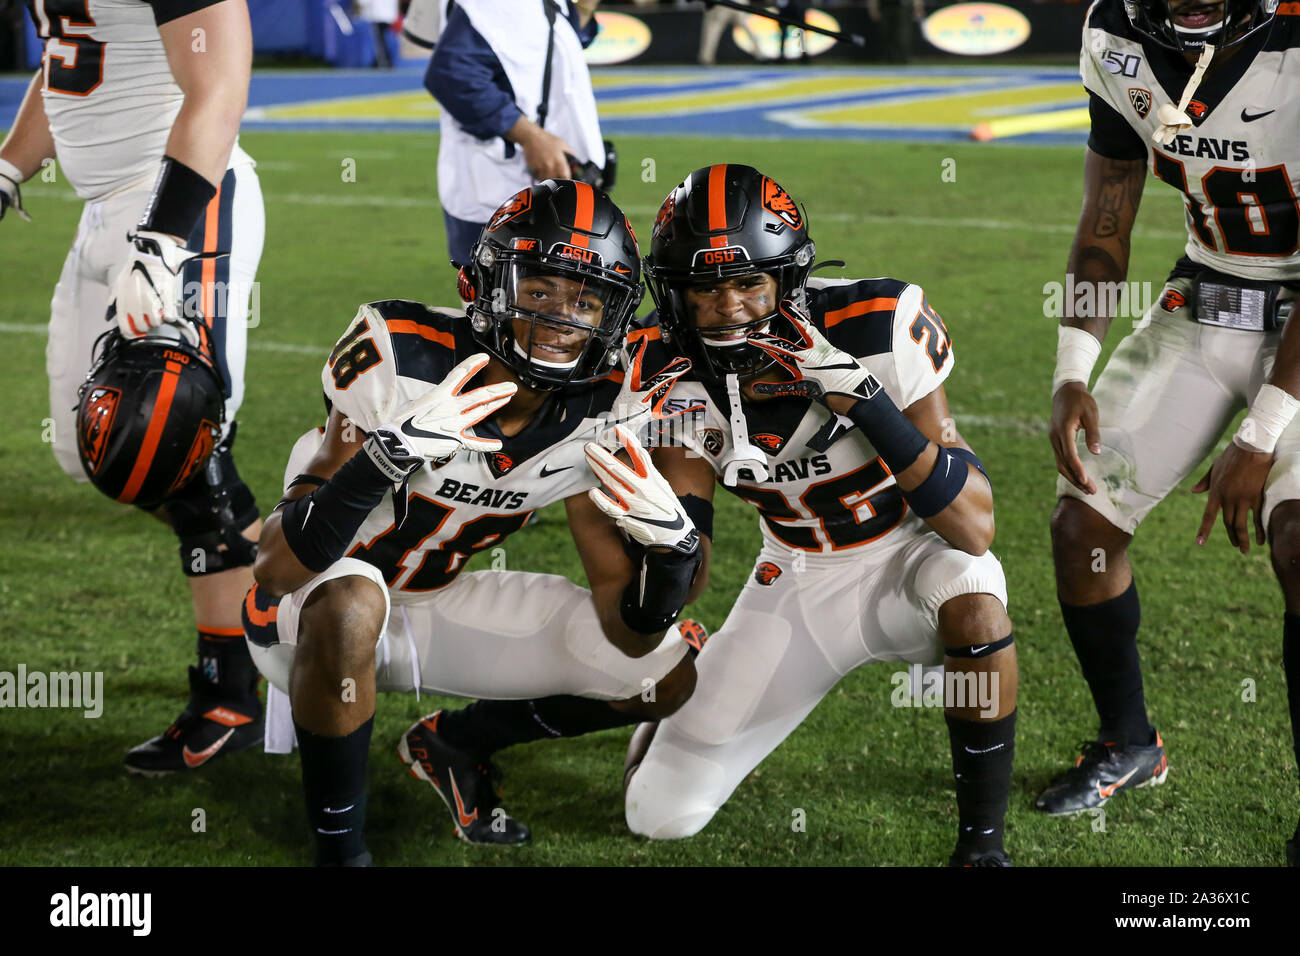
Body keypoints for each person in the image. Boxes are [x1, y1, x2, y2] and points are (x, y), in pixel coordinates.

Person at [244, 181, 709, 864]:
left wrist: (671, 554)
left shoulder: (610, 405)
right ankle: (340, 851)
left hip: (439, 603)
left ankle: (455, 741)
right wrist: (386, 455)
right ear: (486, 283)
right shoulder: (402, 355)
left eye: (587, 300)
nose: (561, 318)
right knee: (349, 605)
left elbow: (628, 635)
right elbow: (277, 568)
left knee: (665, 677)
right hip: (307, 613)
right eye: (541, 290)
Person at [617, 164, 1018, 866]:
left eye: (749, 283)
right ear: (674, 293)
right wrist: (669, 547)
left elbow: (973, 526)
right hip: (798, 573)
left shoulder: (877, 325)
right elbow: (697, 560)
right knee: (659, 815)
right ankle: (701, 674)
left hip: (912, 556)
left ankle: (982, 847)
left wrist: (864, 400)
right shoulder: (664, 374)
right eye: (706, 290)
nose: (731, 308)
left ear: (789, 279)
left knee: (974, 593)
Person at [1041, 0, 1300, 865]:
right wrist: (1070, 370)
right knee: (1083, 526)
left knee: (1298, 543)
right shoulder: (1115, 34)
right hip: (1209, 298)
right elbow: (1105, 219)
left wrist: (1260, 435)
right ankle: (1129, 742)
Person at [0, 0, 267, 775]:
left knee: (174, 447)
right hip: (104, 211)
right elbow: (72, 55)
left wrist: (161, 243)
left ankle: (236, 691)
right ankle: (286, 582)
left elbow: (220, 82)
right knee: (96, 451)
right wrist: (13, 161)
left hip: (177, 209)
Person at [424, 0, 607, 266]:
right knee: (510, 301)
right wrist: (530, 136)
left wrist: (586, 6)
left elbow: (549, 44)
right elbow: (452, 74)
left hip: (539, 192)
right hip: (504, 198)